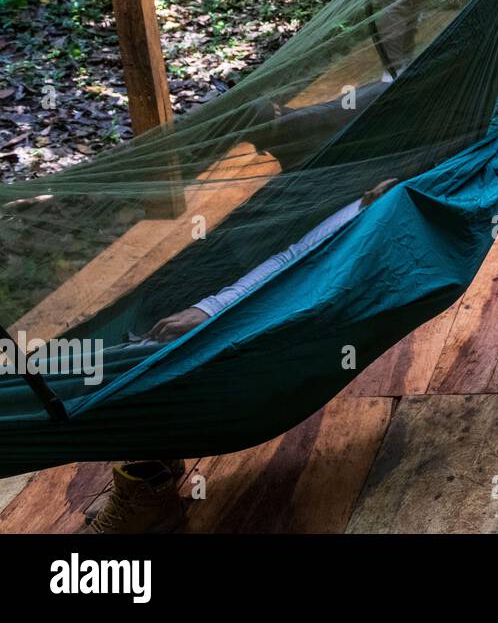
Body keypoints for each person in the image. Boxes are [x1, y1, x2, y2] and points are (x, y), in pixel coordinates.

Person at [82, 178, 401, 534]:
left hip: (291, 333)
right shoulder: (381, 198)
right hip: (275, 315)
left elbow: (309, 284)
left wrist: (213, 312)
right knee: (141, 347)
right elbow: (297, 256)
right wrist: (211, 308)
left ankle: (150, 490)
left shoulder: (397, 209)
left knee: (141, 369)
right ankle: (151, 473)